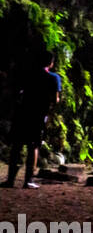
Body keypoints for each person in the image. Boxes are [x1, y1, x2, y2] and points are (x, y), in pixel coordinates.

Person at [3, 48, 63, 189]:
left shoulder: (27, 74)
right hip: (38, 114)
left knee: (16, 146)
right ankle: (28, 180)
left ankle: (10, 180)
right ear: (51, 63)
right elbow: (55, 99)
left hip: (22, 113)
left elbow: (17, 92)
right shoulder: (53, 78)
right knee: (33, 146)